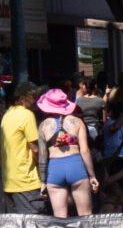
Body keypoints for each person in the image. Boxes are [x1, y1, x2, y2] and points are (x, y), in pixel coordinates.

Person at [36, 89, 99, 217]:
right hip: (76, 167)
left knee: (59, 218)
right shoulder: (78, 122)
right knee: (86, 215)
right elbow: (85, 151)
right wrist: (92, 176)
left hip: (55, 170)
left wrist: (43, 182)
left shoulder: (43, 126)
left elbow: (42, 157)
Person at [0, 80, 46, 214]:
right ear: (21, 98)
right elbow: (35, 149)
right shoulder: (27, 115)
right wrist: (45, 170)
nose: (37, 99)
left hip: (10, 183)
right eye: (33, 96)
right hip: (27, 183)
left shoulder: (7, 114)